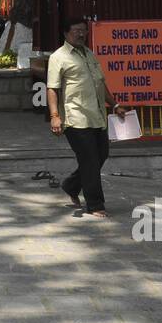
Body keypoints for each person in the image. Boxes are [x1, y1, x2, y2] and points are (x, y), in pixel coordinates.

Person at [47, 17, 128, 218]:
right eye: (77, 31)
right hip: (75, 118)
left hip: (97, 116)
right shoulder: (58, 57)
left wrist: (115, 104)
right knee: (90, 160)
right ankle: (95, 204)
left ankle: (71, 185)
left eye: (84, 30)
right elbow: (52, 89)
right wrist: (55, 116)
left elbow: (100, 83)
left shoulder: (89, 54)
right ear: (66, 33)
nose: (82, 34)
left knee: (101, 155)